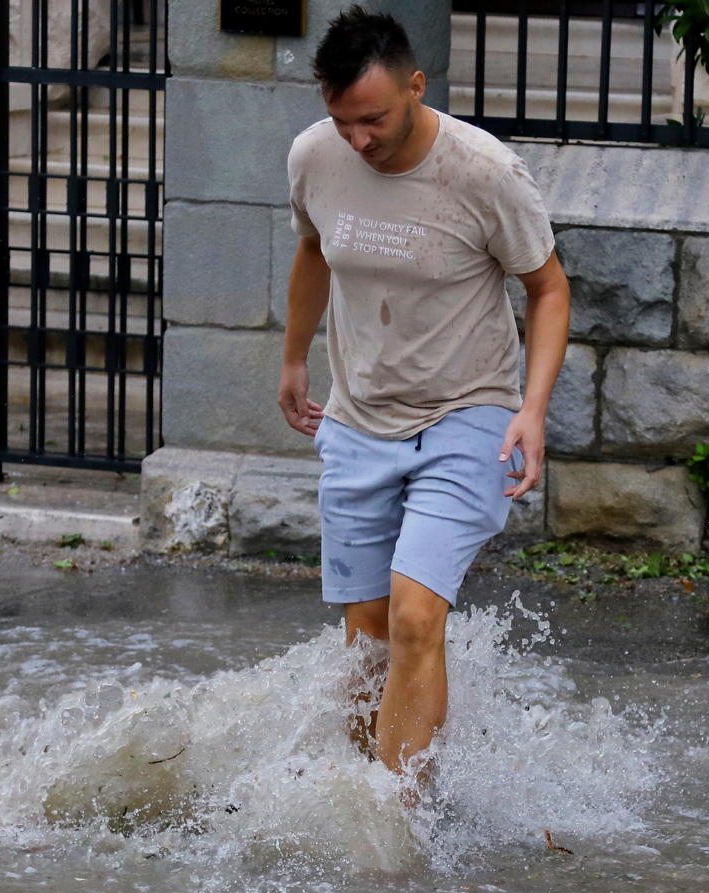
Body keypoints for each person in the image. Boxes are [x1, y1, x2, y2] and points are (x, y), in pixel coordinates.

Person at [277, 6, 570, 791]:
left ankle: (398, 812)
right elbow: (313, 250)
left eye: (372, 119)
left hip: (465, 412)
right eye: (343, 122)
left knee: (414, 617)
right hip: (360, 415)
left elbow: (547, 290)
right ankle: (361, 787)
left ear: (416, 85)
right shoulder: (315, 155)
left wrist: (530, 409)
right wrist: (294, 359)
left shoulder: (484, 171)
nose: (359, 141)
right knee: (367, 638)